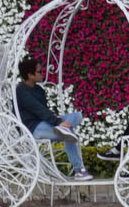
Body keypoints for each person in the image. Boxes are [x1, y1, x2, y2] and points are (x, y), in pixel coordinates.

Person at [14, 53, 95, 181]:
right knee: (69, 132)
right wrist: (58, 122)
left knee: (77, 116)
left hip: (45, 123)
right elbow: (39, 110)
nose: (42, 74)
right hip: (33, 129)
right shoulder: (21, 91)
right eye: (39, 72)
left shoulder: (39, 90)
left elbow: (45, 111)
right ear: (30, 75)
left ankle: (64, 131)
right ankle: (78, 170)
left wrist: (58, 122)